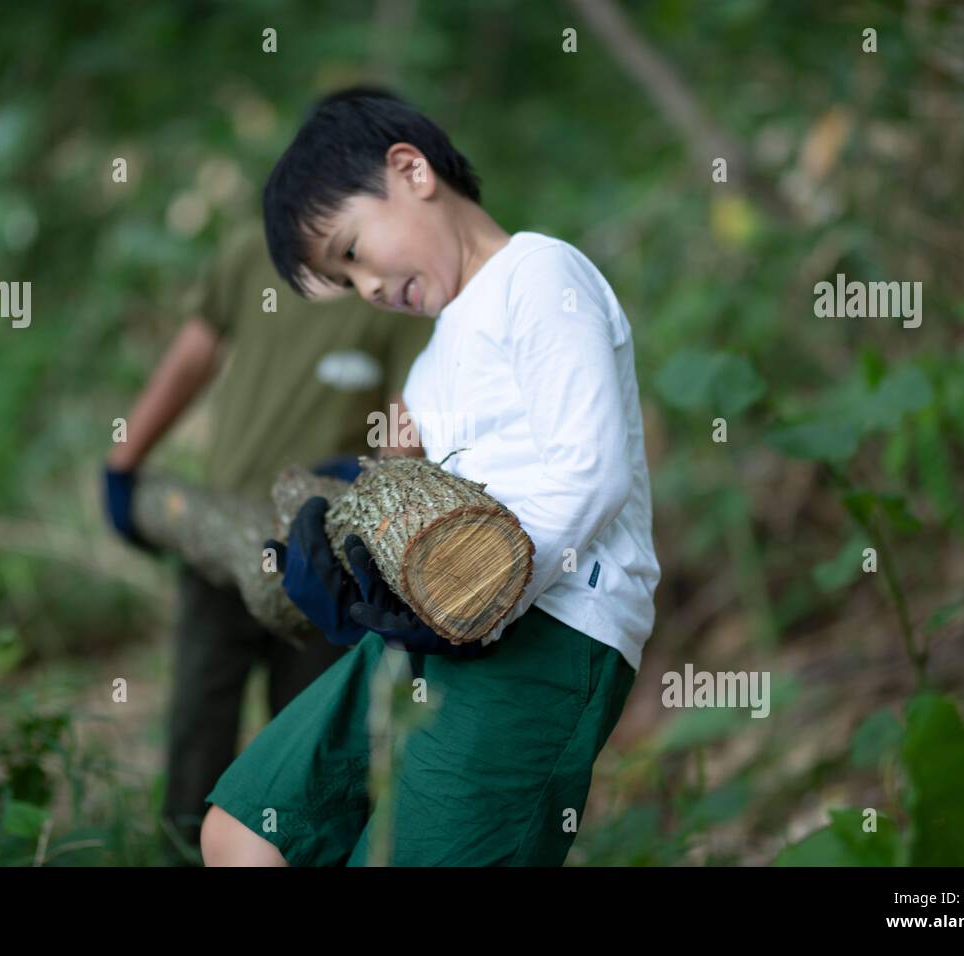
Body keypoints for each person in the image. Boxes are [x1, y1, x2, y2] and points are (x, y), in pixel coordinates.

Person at [200, 88, 661, 866]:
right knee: (245, 833)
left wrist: (471, 600)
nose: (368, 290)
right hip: (430, 636)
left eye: (351, 252)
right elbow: (401, 494)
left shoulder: (540, 274)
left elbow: (593, 472)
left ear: (410, 170)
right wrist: (350, 566)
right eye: (344, 285)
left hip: (549, 631)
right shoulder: (432, 361)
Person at [102, 217, 433, 860]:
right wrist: (125, 458)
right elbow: (193, 355)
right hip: (221, 541)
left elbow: (405, 415)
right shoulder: (252, 252)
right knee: (199, 721)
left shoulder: (393, 285)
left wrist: (381, 509)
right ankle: (179, 855)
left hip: (320, 558)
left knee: (309, 741)